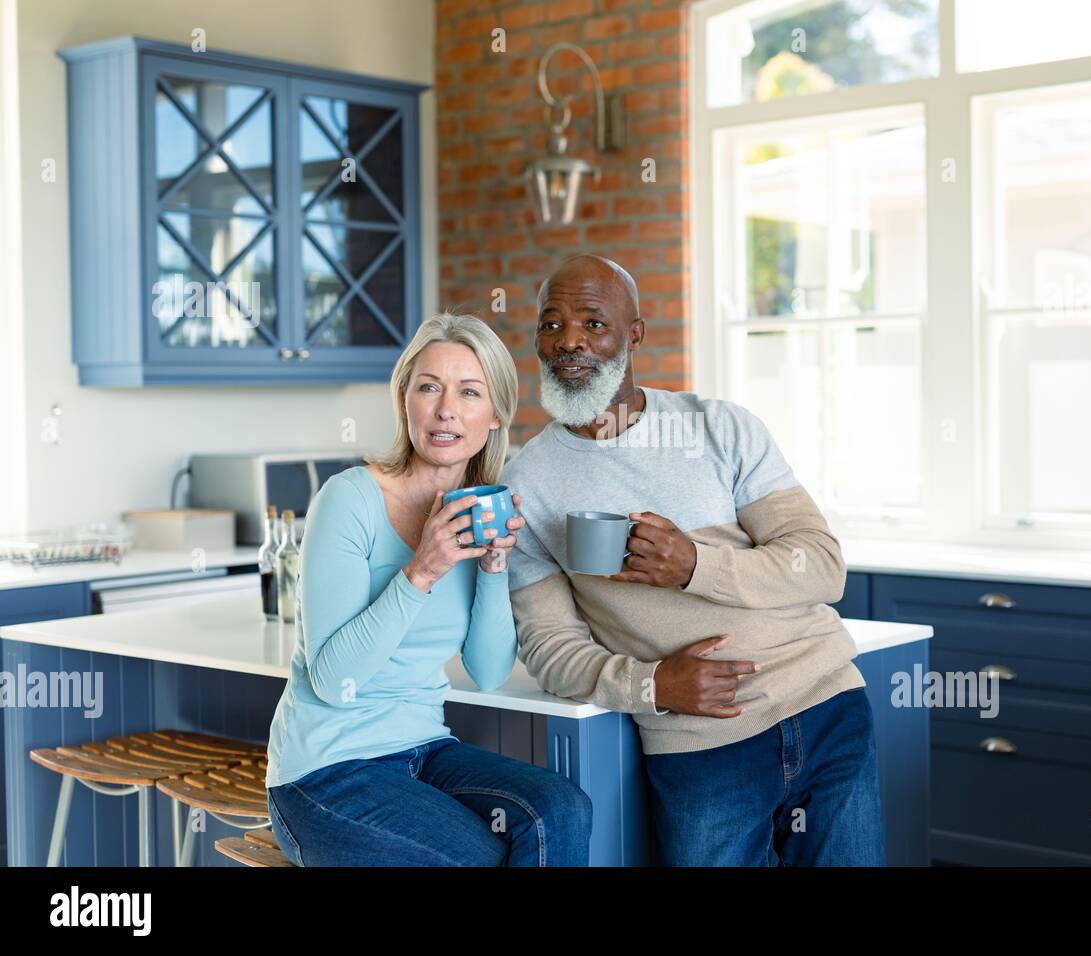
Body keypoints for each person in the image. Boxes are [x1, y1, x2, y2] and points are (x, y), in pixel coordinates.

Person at [501, 254, 884, 867]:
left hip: (827, 707)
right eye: (551, 324)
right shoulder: (525, 485)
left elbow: (821, 566)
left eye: (593, 322)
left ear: (634, 334)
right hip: (699, 745)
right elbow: (548, 647)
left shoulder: (721, 427)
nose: (568, 340)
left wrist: (694, 566)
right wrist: (652, 686)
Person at [265, 312, 593, 866]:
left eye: (469, 392)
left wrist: (493, 568)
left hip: (424, 749)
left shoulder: (477, 510)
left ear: (494, 416)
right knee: (478, 858)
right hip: (325, 772)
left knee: (561, 809)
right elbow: (331, 680)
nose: (446, 410)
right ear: (405, 402)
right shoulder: (349, 499)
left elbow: (488, 672)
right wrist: (421, 570)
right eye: (429, 388)